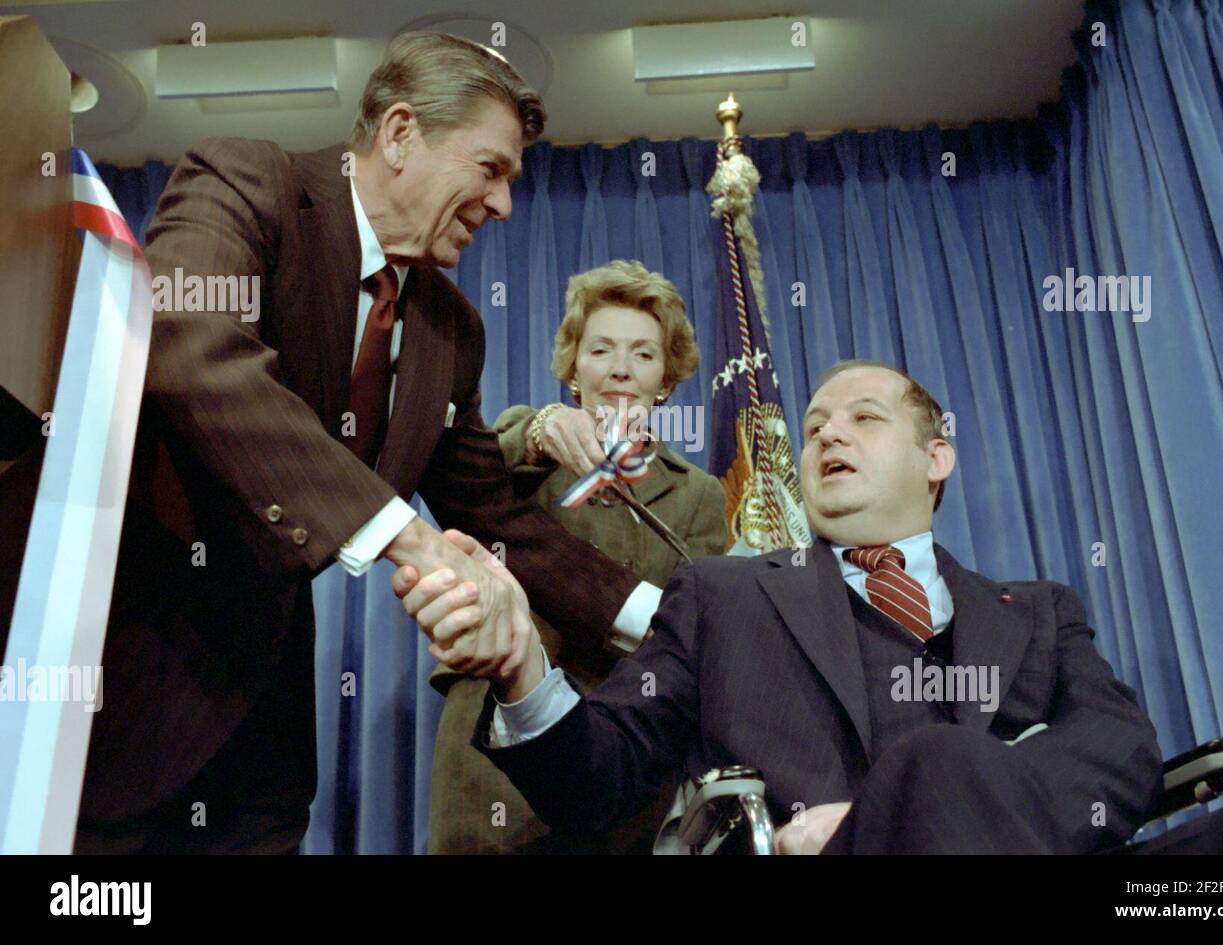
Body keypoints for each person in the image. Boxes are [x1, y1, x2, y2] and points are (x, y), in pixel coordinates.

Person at [74, 32, 658, 854]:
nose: (503, 206)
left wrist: (666, 622)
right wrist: (406, 534)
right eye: (490, 170)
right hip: (120, 696)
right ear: (399, 134)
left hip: (263, 745)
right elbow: (188, 342)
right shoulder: (248, 181)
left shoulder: (450, 331)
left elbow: (501, 521)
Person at [399, 359, 1167, 854]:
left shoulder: (1038, 609)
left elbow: (1121, 750)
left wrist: (910, 822)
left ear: (937, 458)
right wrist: (524, 668)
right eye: (813, 428)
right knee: (942, 762)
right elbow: (600, 779)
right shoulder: (721, 594)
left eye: (864, 416)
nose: (829, 429)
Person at [426, 261, 727, 853]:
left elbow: (687, 633)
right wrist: (541, 430)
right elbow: (468, 477)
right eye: (602, 350)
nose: (621, 368)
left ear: (665, 378)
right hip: (496, 736)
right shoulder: (525, 442)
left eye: (643, 354)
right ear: (573, 368)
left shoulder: (699, 494)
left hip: (623, 746)